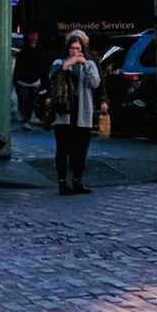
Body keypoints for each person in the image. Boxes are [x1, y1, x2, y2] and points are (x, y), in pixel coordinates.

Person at [48, 30, 106, 195]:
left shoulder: (89, 63)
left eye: (78, 48)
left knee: (80, 149)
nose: (75, 52)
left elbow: (95, 83)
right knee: (63, 149)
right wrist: (67, 65)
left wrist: (86, 65)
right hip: (64, 113)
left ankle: (77, 181)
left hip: (82, 112)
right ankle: (61, 182)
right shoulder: (59, 63)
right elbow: (52, 78)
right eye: (72, 48)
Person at [12, 29, 47, 130]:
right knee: (29, 102)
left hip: (25, 81)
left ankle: (25, 119)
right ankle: (26, 119)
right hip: (32, 81)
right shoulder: (39, 53)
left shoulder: (23, 53)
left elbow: (18, 68)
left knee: (26, 101)